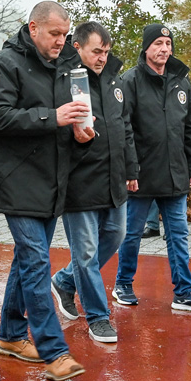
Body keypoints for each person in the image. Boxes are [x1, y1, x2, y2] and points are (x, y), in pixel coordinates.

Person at [0, 1, 95, 381]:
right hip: (17, 182)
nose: (61, 41)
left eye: (65, 34)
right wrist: (53, 117)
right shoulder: (5, 64)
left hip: (52, 182)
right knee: (35, 263)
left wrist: (80, 134)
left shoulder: (66, 66)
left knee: (26, 261)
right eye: (54, 34)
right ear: (33, 28)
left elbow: (70, 119)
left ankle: (11, 336)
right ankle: (55, 352)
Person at [113, 24, 191, 313]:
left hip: (175, 174)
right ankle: (123, 284)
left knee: (178, 235)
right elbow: (124, 129)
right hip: (141, 175)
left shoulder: (181, 82)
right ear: (146, 48)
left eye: (168, 44)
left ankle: (184, 292)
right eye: (158, 43)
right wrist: (130, 170)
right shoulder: (129, 81)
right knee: (131, 234)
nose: (164, 49)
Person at [49, 22, 136, 343]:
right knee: (85, 253)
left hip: (113, 177)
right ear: (78, 47)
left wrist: (131, 169)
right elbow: (54, 127)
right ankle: (98, 317)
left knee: (115, 235)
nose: (102, 58)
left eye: (106, 52)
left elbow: (125, 126)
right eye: (96, 51)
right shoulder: (64, 81)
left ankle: (64, 280)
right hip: (79, 179)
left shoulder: (114, 80)